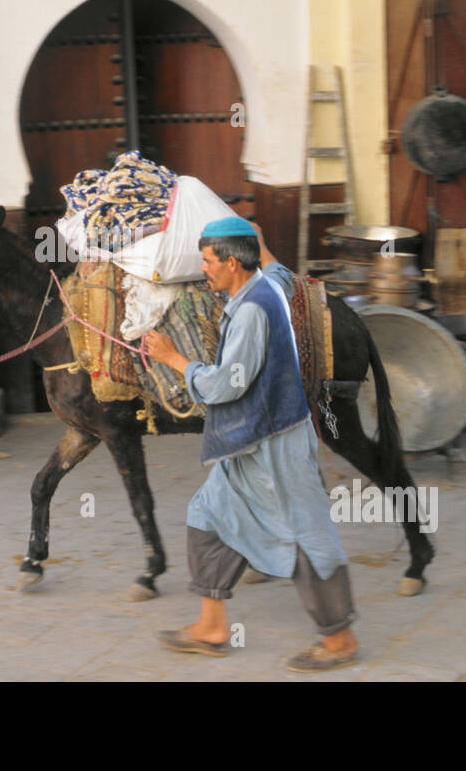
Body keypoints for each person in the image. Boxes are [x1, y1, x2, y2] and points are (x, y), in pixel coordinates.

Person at [143, 215, 361, 672]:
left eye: (207, 261)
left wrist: (174, 359)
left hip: (275, 443)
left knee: (305, 531)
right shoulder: (268, 285)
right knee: (207, 515)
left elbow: (227, 385)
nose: (203, 269)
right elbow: (278, 268)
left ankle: (339, 637)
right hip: (247, 443)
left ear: (232, 264)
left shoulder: (252, 311)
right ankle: (211, 625)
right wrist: (257, 239)